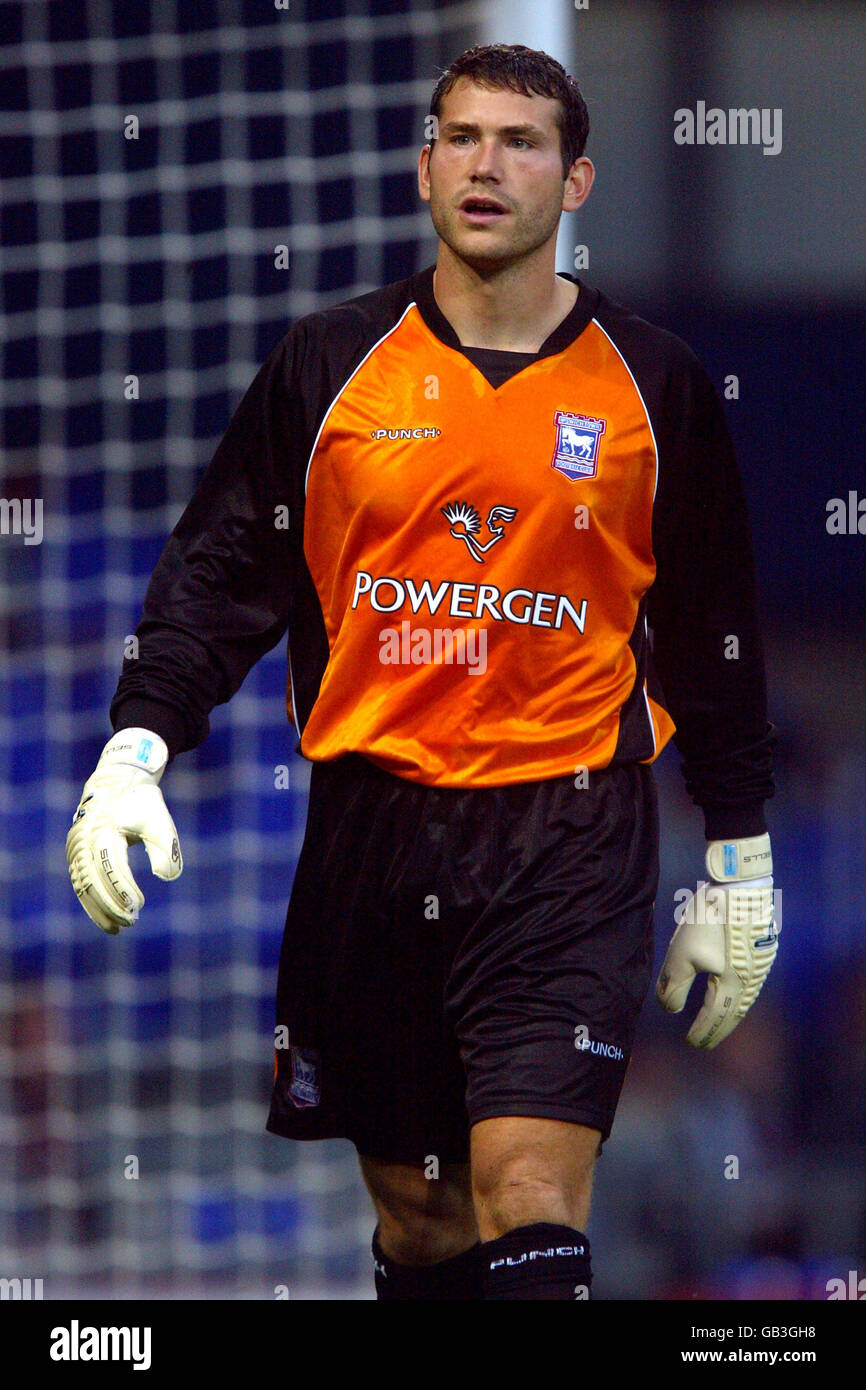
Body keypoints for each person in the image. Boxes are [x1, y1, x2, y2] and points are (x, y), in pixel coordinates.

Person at [66, 43, 778, 1300]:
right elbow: (217, 575)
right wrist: (137, 747)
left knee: (526, 1189)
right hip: (372, 831)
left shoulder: (654, 384)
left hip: (568, 833)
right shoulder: (328, 364)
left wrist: (738, 841)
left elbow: (715, 625)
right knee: (423, 1221)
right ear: (422, 167)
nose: (485, 164)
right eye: (460, 138)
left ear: (576, 181)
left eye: (519, 142)